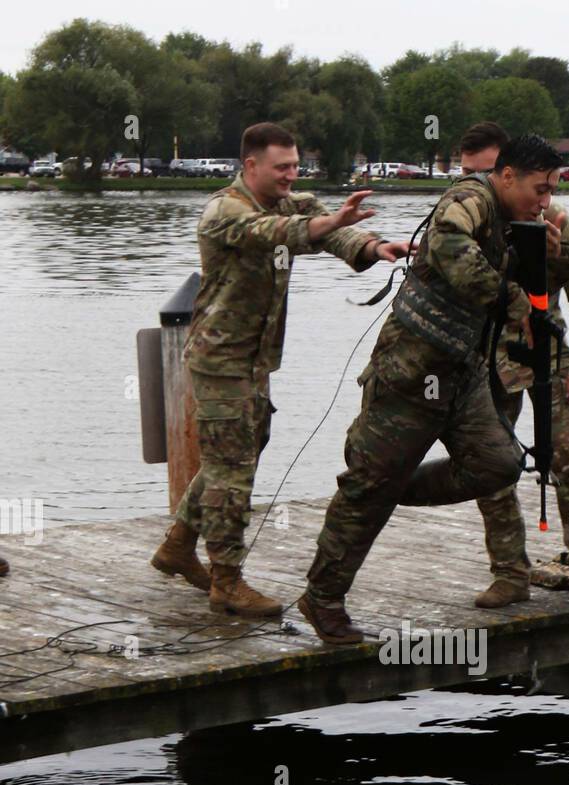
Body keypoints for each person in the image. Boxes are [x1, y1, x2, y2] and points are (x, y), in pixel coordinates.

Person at [299, 134, 565, 644]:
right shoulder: (468, 199)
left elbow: (536, 285)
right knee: (369, 486)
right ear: (507, 176)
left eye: (551, 190)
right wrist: (512, 300)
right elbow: (449, 248)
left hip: (462, 376)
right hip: (409, 368)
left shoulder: (522, 220)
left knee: (498, 463)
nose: (545, 200)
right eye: (539, 187)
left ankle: (385, 485)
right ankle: (324, 597)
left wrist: (544, 255)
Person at [150, 122, 408, 619]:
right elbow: (286, 232)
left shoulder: (288, 202)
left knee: (237, 455)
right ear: (251, 166)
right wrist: (329, 223)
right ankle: (226, 581)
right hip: (220, 361)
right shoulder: (226, 211)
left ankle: (179, 545)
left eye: (295, 166)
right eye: (282, 167)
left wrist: (376, 248)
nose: (292, 174)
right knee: (233, 472)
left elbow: (327, 228)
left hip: (255, 361)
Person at [456, 124, 569, 610]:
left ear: (508, 172)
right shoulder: (463, 225)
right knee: (490, 466)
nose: (473, 187)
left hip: (547, 358)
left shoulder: (563, 223)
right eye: (466, 176)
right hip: (484, 361)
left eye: (481, 175)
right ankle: (509, 573)